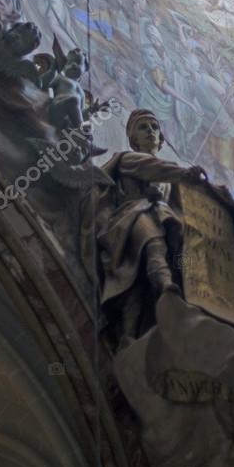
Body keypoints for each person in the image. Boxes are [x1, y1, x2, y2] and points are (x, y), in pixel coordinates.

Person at [80, 108, 209, 345]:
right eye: (143, 127)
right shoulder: (128, 159)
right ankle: (168, 290)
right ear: (133, 139)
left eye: (154, 127)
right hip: (131, 217)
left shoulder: (170, 175)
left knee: (138, 284)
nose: (150, 131)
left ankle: (131, 334)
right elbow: (153, 169)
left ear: (161, 138)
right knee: (152, 242)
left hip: (162, 217)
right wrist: (185, 173)